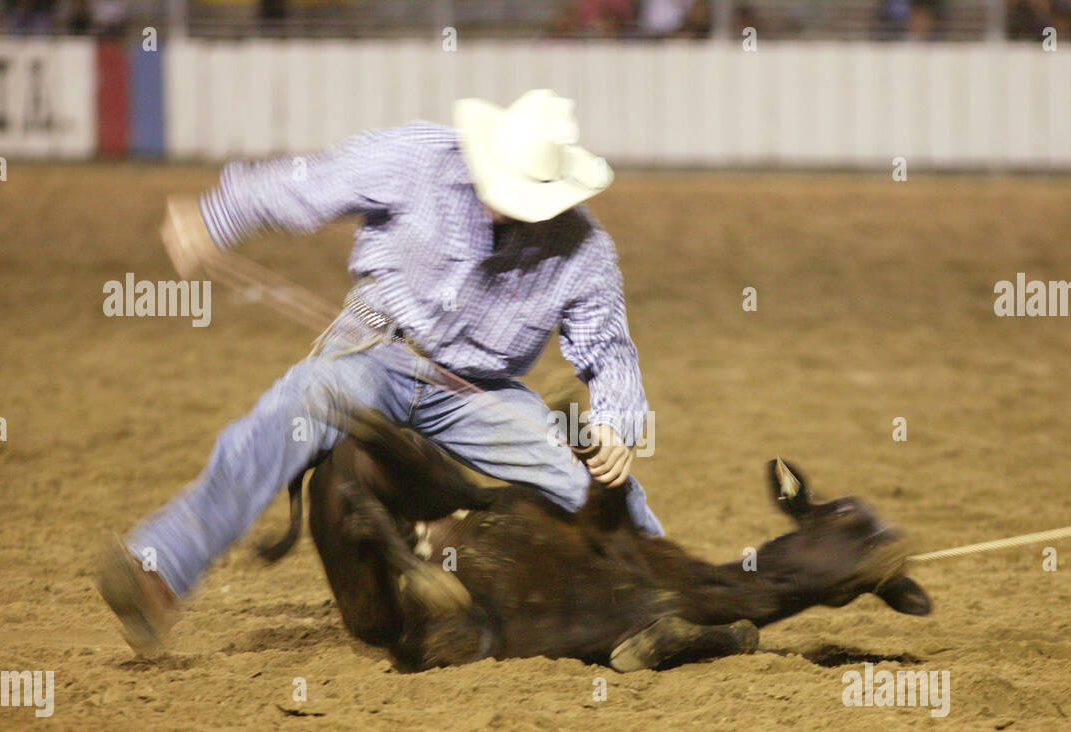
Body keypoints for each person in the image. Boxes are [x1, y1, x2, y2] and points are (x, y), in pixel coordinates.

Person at [98, 89, 662, 654]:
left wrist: (615, 420)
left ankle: (666, 591)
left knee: (590, 480)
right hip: (374, 352)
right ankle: (160, 571)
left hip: (477, 393)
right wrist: (218, 214)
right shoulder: (417, 158)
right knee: (294, 408)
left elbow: (607, 345)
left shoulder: (583, 248)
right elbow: (311, 183)